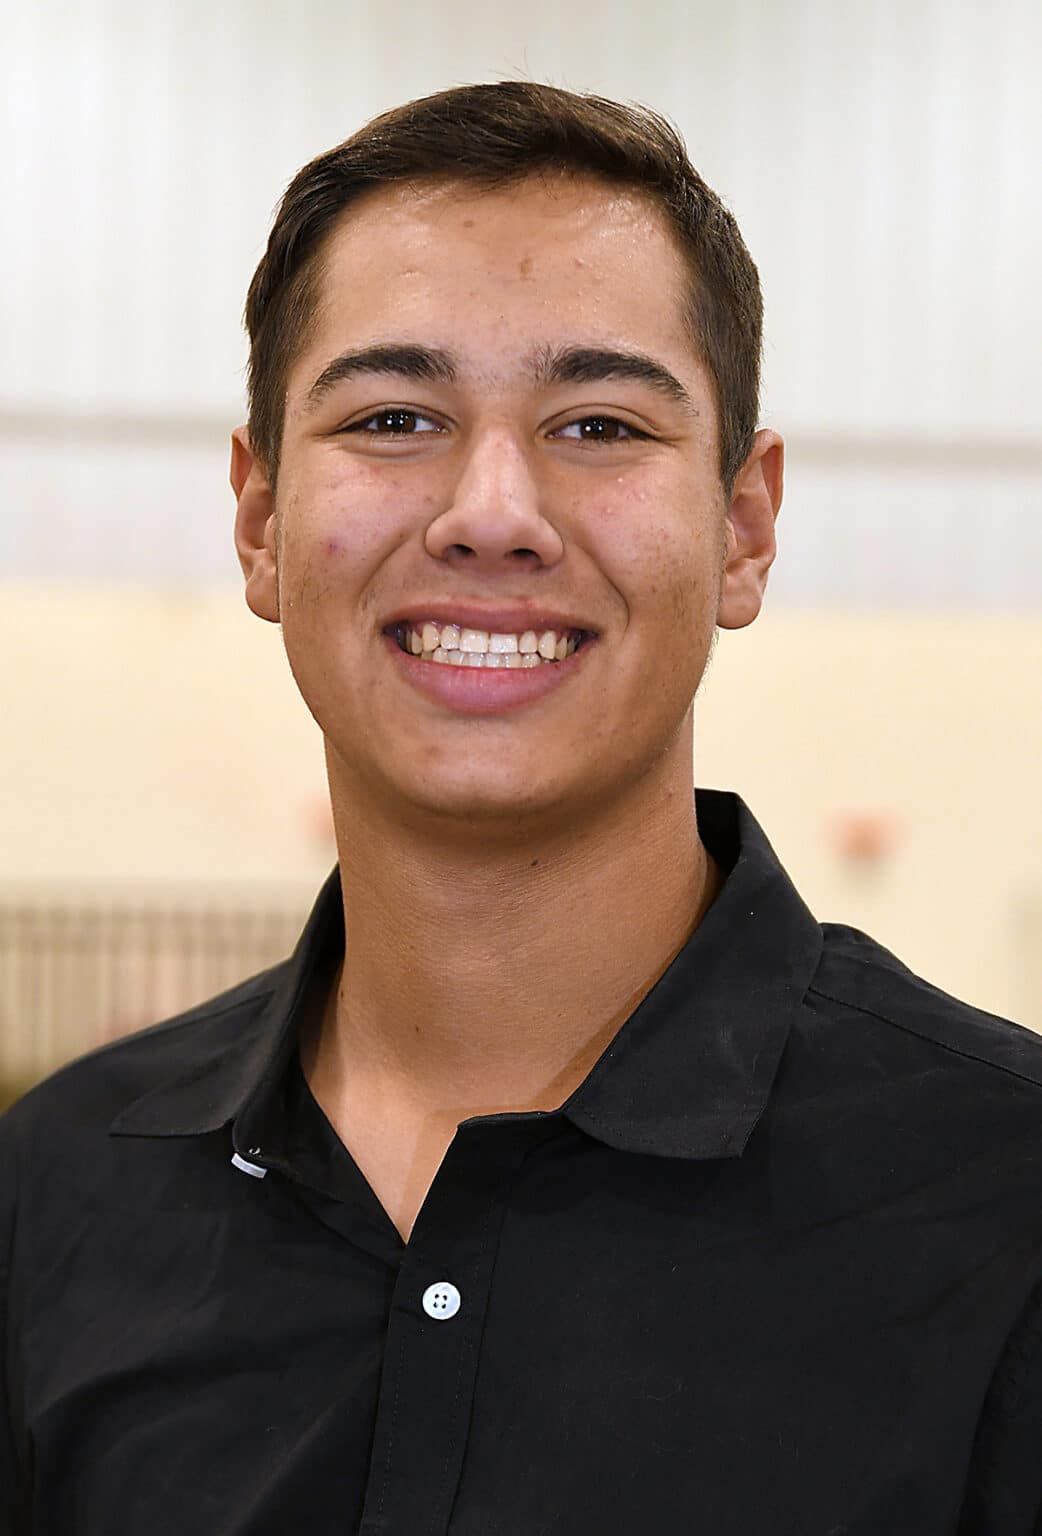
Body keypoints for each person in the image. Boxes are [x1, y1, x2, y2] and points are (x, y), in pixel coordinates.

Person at [2, 80, 1041, 1535]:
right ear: (259, 526)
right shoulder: (55, 1200)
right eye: (396, 415)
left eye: (600, 424)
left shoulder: (1002, 1207)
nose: (492, 509)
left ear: (743, 529)